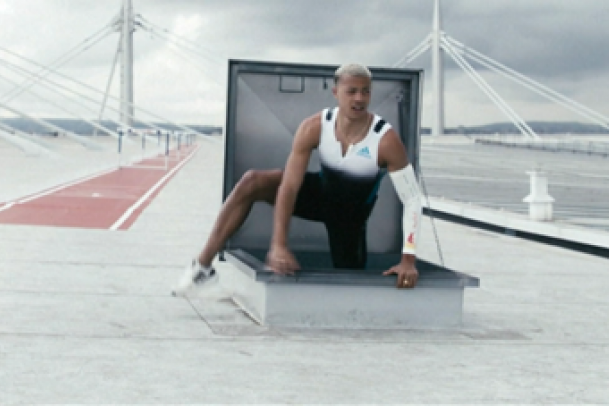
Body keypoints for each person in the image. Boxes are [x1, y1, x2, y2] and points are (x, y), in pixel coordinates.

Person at [172, 63, 424, 296]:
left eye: (365, 92)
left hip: (350, 217)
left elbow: (412, 199)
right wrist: (278, 244)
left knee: (350, 285)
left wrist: (408, 260)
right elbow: (290, 187)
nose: (359, 98)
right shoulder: (314, 126)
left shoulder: (386, 140)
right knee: (253, 181)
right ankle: (202, 268)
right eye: (352, 91)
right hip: (320, 195)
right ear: (336, 92)